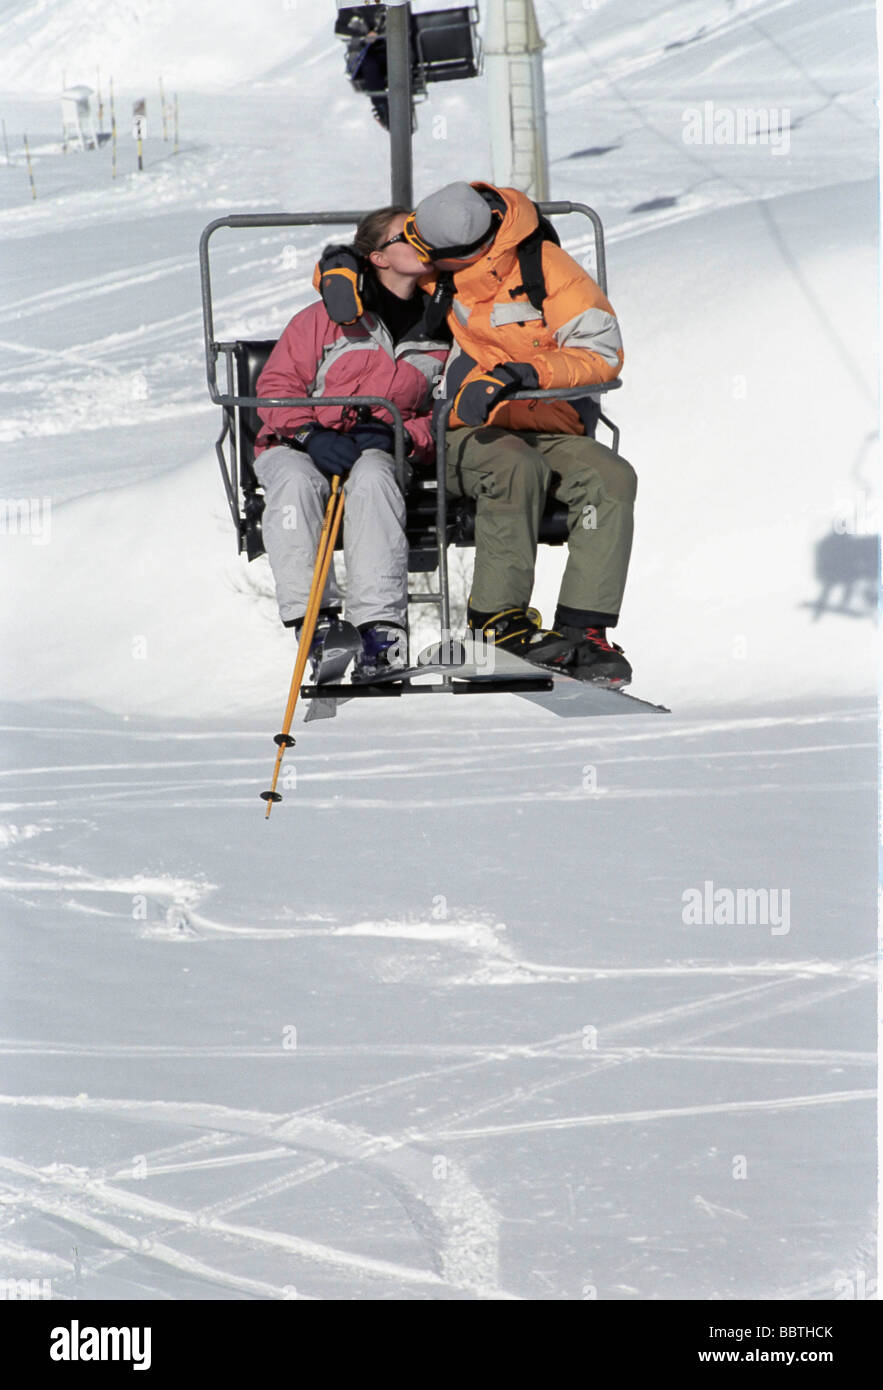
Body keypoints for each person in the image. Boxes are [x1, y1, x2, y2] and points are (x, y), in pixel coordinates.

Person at [400, 180, 637, 687]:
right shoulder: (427, 260)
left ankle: (582, 630)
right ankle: (494, 621)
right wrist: (339, 268)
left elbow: (602, 353)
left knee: (611, 476)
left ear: (476, 247)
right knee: (514, 465)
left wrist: (523, 373)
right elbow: (368, 258)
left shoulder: (546, 268)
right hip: (467, 431)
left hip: (548, 424)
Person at [253, 206, 448, 681]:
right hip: (296, 444)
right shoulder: (324, 319)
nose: (422, 241)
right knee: (296, 485)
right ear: (378, 257)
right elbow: (276, 387)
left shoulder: (442, 323)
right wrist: (309, 434)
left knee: (375, 478)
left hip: (380, 448)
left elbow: (446, 410)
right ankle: (316, 625)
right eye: (409, 235)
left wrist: (400, 434)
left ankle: (381, 630)